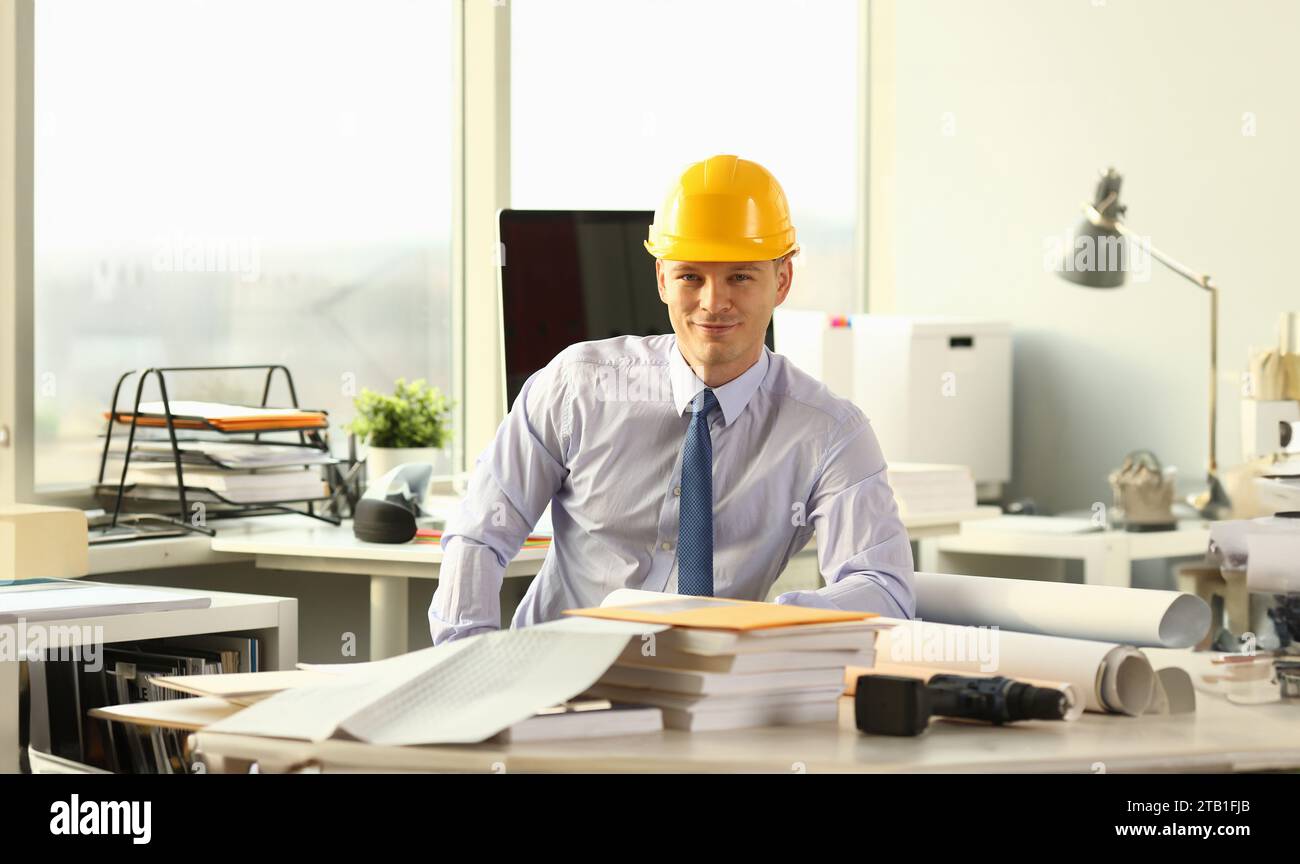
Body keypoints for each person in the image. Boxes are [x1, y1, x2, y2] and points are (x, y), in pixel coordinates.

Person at [429, 154, 913, 644]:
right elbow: (478, 534)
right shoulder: (576, 388)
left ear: (782, 280)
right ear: (662, 280)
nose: (713, 302)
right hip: (555, 682)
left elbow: (883, 588)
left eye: (740, 277)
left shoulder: (828, 432)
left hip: (710, 690)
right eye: (691, 277)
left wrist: (772, 623)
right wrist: (467, 658)